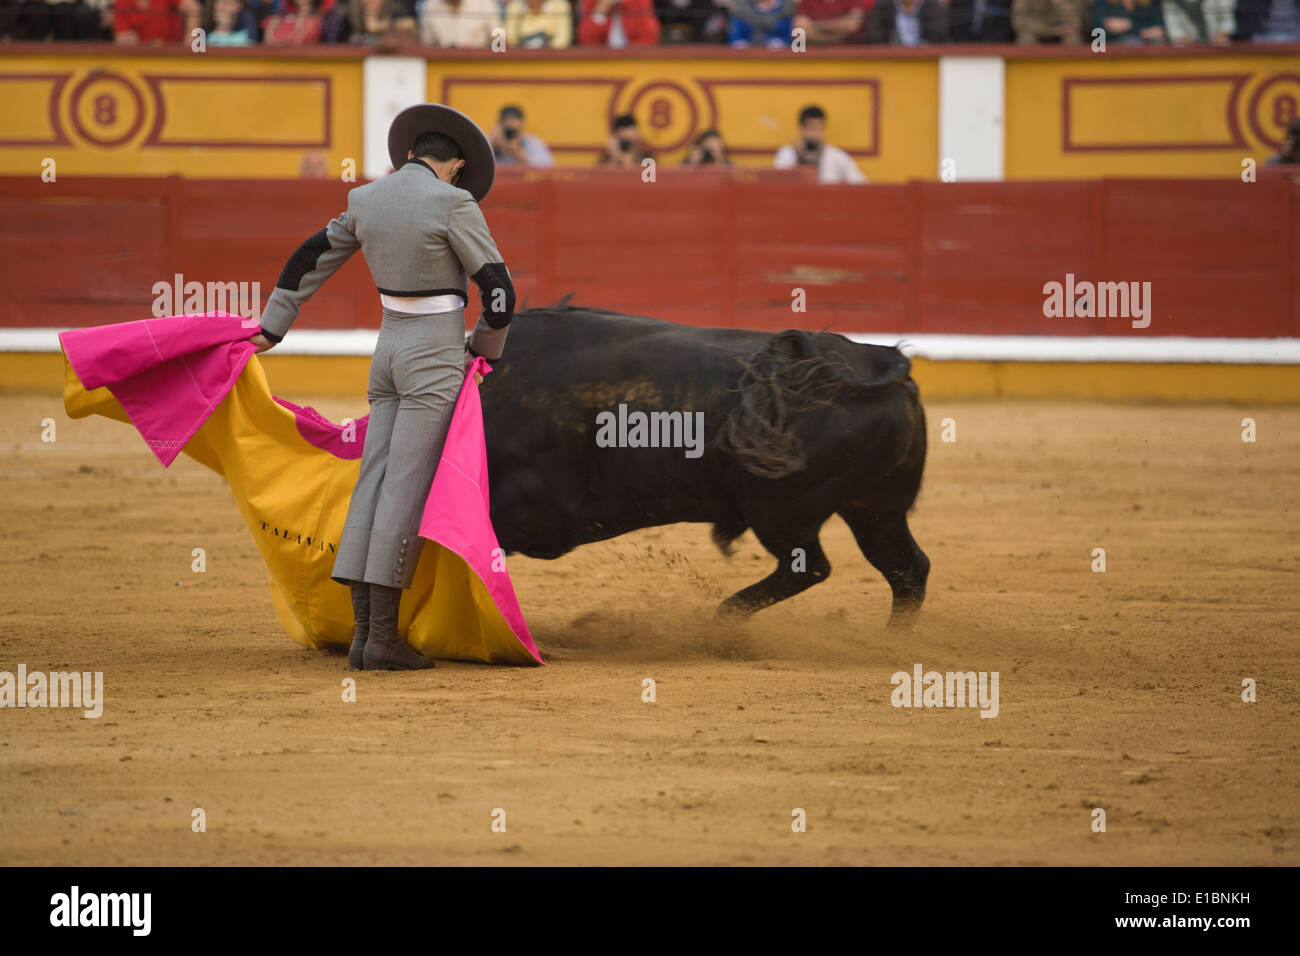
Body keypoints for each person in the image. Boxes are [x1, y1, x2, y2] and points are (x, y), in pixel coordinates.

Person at [248, 104, 517, 672]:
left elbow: (309, 258)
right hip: (433, 354)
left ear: (413, 155)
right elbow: (499, 293)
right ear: (456, 165)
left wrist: (273, 326)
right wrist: (482, 348)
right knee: (406, 487)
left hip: (387, 351)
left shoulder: (365, 200)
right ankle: (382, 639)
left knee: (373, 480)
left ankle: (364, 638)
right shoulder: (454, 202)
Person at [773, 104, 866, 184]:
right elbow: (779, 185)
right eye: (810, 128)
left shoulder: (838, 157)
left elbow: (860, 184)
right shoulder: (787, 154)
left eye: (819, 128)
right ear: (801, 129)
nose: (814, 133)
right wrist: (798, 158)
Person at [491, 104, 556, 167]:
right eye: (508, 131)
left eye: (514, 131)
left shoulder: (532, 143)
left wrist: (518, 154)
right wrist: (491, 147)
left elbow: (548, 167)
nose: (511, 135)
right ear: (499, 126)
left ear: (522, 126)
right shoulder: (491, 141)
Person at [866, 0, 947, 42]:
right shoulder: (882, 6)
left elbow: (939, 33)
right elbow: (874, 35)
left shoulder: (933, 6)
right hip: (891, 59)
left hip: (927, 58)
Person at [503, 0, 572, 46]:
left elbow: (562, 41)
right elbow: (510, 39)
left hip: (551, 61)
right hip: (520, 61)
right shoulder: (514, 7)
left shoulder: (560, 6)